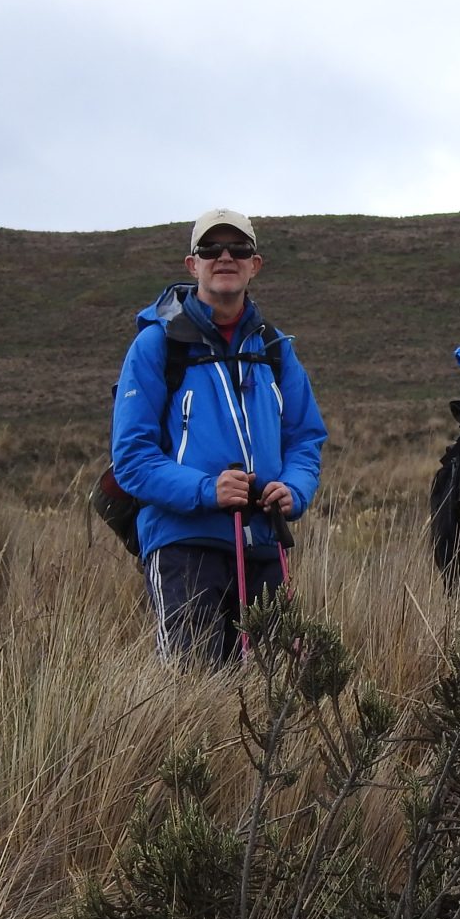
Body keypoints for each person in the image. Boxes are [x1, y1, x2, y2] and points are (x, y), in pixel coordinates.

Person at [111, 209, 326, 663]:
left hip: (264, 543)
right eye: (211, 249)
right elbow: (131, 457)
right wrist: (206, 490)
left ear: (255, 264)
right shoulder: (157, 345)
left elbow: (305, 439)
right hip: (182, 545)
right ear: (193, 265)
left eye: (238, 249)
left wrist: (295, 489)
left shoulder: (275, 349)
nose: (224, 257)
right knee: (192, 688)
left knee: (276, 687)